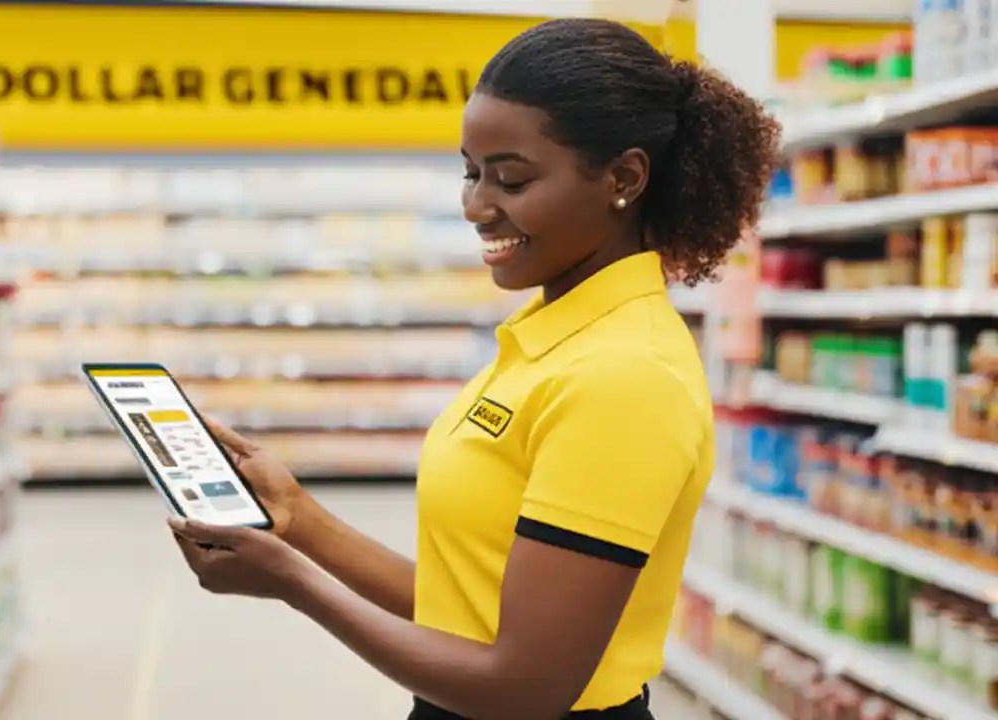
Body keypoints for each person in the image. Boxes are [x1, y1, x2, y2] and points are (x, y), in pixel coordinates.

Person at [167, 17, 779, 720]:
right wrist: (299, 521)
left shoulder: (625, 375)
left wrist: (292, 582)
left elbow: (524, 687)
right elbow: (468, 609)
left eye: (511, 179)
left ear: (624, 178)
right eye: (470, 170)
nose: (475, 206)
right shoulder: (549, 340)